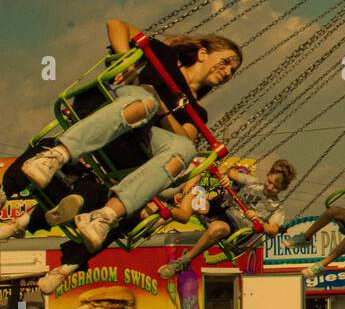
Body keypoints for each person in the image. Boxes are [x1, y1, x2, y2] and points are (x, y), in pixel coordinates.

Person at [19, 25, 242, 294]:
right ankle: (57, 155)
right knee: (143, 99)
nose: (228, 71)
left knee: (183, 150)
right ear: (204, 53)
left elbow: (186, 135)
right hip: (114, 109)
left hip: (135, 143)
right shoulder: (164, 57)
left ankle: (104, 217)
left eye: (233, 71)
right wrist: (126, 62)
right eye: (227, 61)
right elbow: (117, 24)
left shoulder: (197, 111)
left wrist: (163, 106)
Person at [157, 159, 297, 279]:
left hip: (234, 227)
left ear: (283, 189)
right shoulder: (253, 182)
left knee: (218, 228)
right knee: (196, 186)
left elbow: (273, 230)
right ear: (267, 175)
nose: (270, 187)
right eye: (269, 181)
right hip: (220, 207)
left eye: (275, 187)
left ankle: (182, 262)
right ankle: (161, 216)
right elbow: (229, 171)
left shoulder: (276, 208)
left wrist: (259, 221)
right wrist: (224, 176)